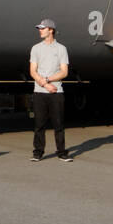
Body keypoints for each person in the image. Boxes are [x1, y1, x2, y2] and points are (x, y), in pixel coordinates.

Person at [29, 18, 71, 162]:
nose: (40, 30)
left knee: (58, 124)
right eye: (39, 28)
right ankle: (38, 152)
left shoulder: (61, 49)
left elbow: (64, 72)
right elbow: (32, 71)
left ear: (51, 30)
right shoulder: (35, 48)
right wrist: (45, 84)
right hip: (40, 92)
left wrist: (47, 80)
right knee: (39, 124)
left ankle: (62, 152)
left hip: (56, 92)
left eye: (42, 28)